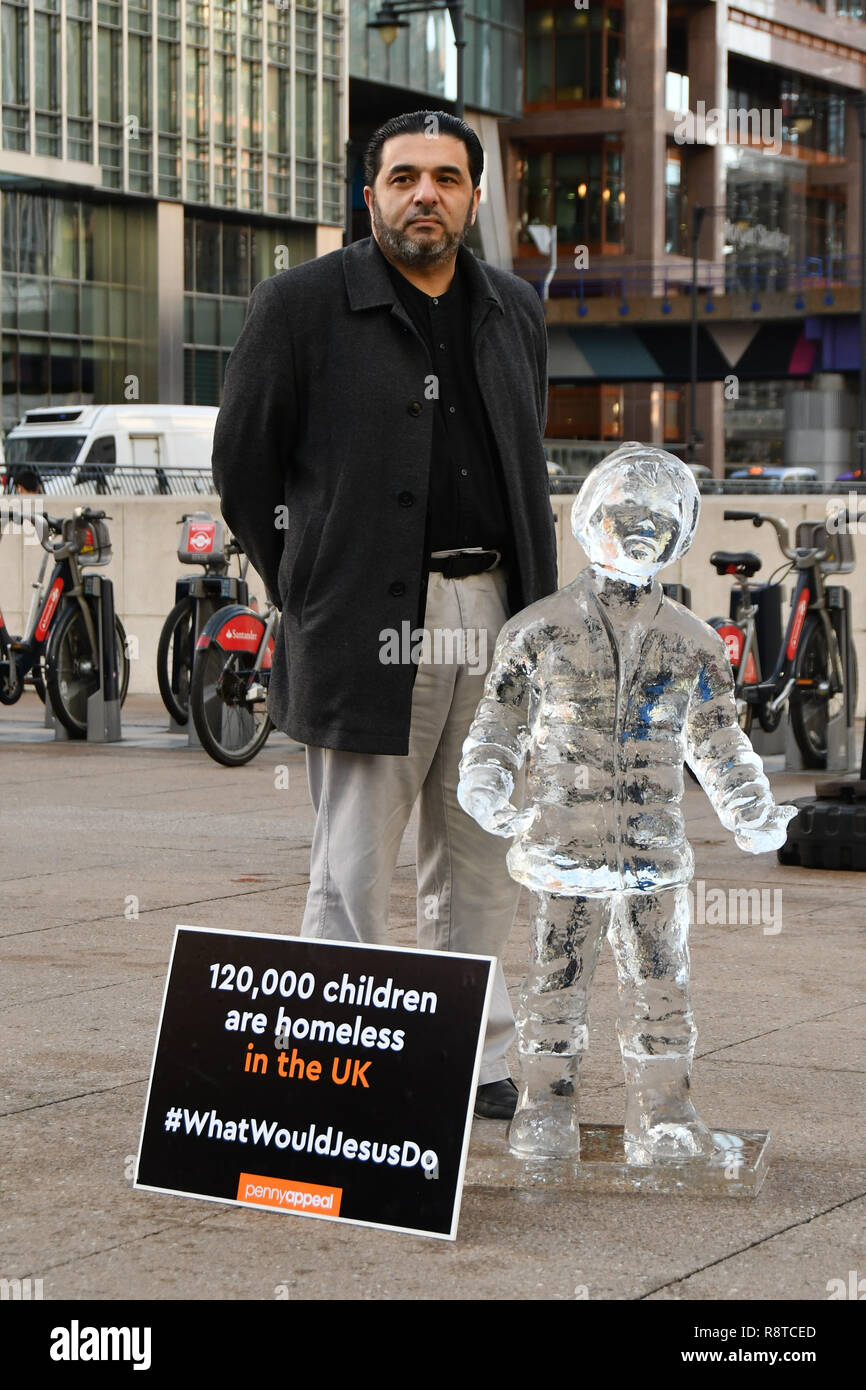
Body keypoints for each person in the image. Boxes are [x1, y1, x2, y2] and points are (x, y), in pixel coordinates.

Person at [211, 110, 558, 1118]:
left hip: (495, 611)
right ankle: (342, 1053)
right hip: (363, 620)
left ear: (474, 198)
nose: (425, 195)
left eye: (447, 178)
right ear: (370, 196)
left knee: (481, 854)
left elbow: (519, 452)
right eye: (403, 177)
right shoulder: (301, 306)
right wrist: (309, 586)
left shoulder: (510, 310)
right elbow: (244, 469)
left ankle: (473, 1059)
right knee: (354, 860)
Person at [458, 442, 796, 1158]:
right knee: (555, 985)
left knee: (662, 989)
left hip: (652, 856)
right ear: (589, 517)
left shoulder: (694, 643)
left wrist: (751, 812)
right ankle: (546, 1107)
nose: (643, 526)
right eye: (626, 510)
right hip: (561, 849)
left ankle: (667, 1113)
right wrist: (483, 782)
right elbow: (499, 724)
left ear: (683, 531)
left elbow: (720, 743)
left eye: (663, 516)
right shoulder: (538, 630)